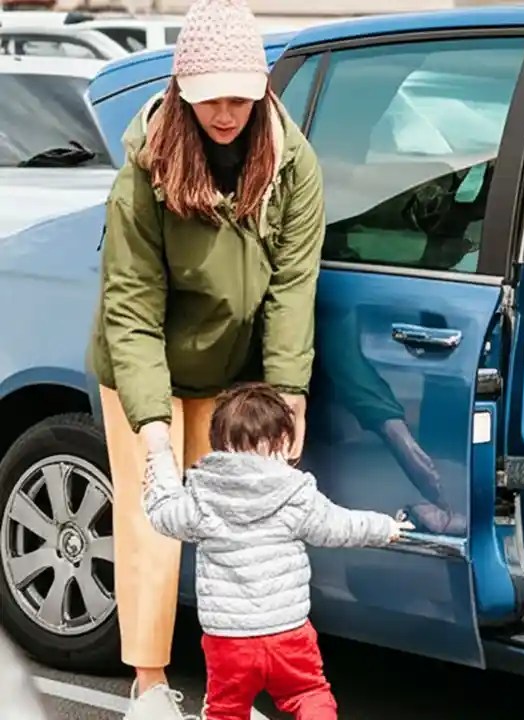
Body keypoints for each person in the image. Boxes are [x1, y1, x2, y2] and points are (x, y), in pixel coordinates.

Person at [87, 0, 325, 717]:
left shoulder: (291, 162)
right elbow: (132, 304)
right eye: (211, 97)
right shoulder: (145, 170)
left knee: (240, 530)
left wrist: (287, 397)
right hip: (145, 361)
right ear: (183, 94)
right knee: (154, 521)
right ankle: (151, 684)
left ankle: (235, 686)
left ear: (260, 90)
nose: (226, 112)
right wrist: (152, 427)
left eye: (240, 96)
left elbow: (293, 287)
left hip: (234, 375)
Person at [142, 383, 412, 720]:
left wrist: (161, 458)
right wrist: (385, 527)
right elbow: (340, 525)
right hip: (288, 632)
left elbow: (163, 513)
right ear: (283, 441)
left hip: (229, 641)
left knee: (225, 710)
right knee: (308, 692)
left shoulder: (203, 496)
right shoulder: (296, 493)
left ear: (219, 446)